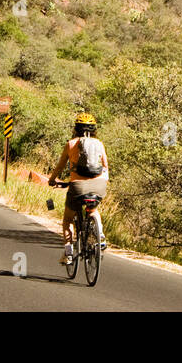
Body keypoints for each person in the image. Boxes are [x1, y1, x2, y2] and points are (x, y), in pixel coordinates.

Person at [48, 112, 109, 265]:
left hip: (77, 187)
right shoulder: (99, 144)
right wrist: (103, 182)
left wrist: (51, 180)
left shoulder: (71, 144)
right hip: (99, 185)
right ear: (94, 129)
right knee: (93, 210)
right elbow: (106, 168)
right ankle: (100, 234)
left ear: (76, 128)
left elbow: (60, 166)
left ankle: (68, 254)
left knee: (68, 219)